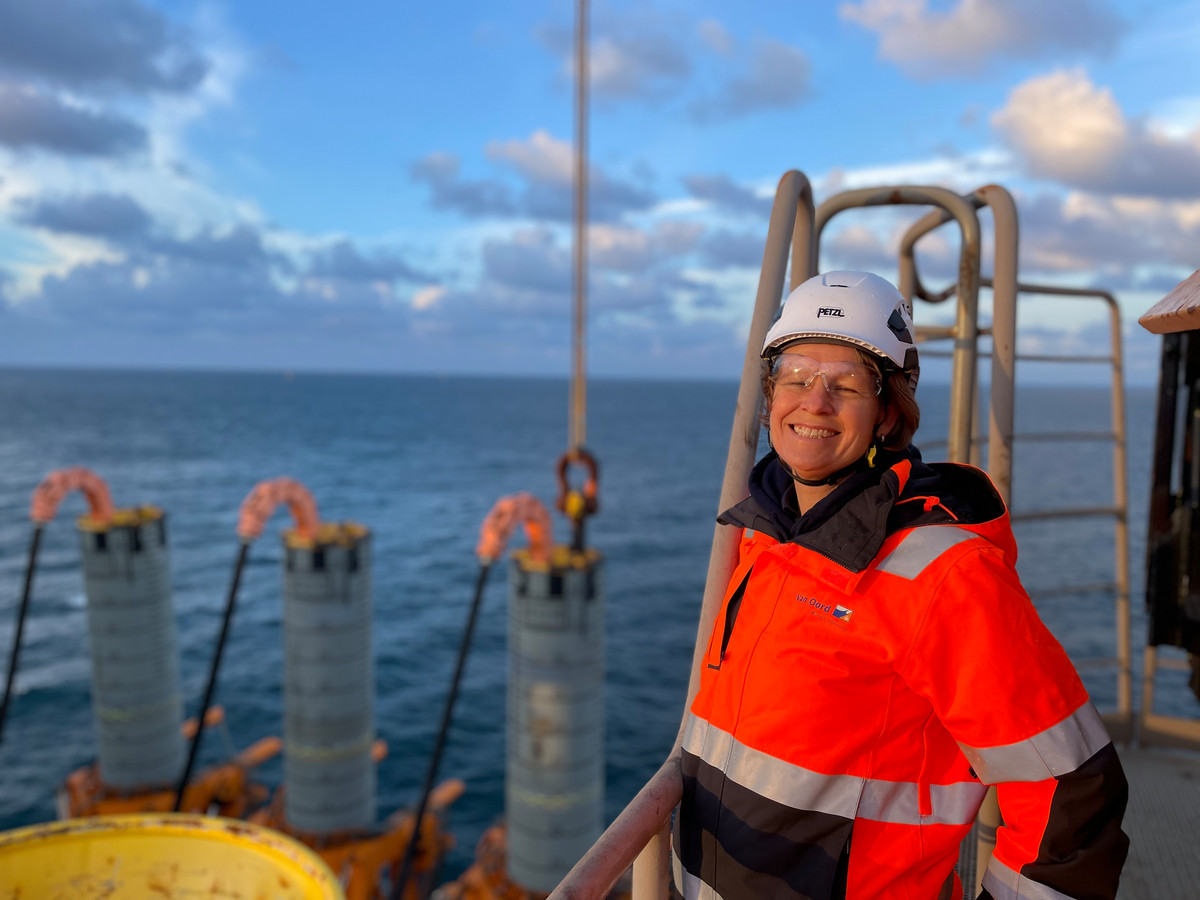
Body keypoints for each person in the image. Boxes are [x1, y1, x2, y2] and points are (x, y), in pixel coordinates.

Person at [672, 271, 1128, 900]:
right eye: (797, 375)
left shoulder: (944, 574)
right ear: (769, 392)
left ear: (889, 413)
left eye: (847, 385)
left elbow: (1072, 791)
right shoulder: (763, 535)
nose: (814, 402)